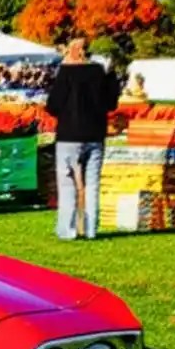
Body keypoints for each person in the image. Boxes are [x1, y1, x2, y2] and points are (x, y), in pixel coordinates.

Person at [44, 38, 120, 241]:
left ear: (75, 51)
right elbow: (112, 103)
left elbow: (52, 106)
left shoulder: (66, 73)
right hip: (95, 134)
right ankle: (90, 229)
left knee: (67, 182)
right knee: (93, 183)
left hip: (69, 135)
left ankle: (67, 230)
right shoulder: (100, 73)